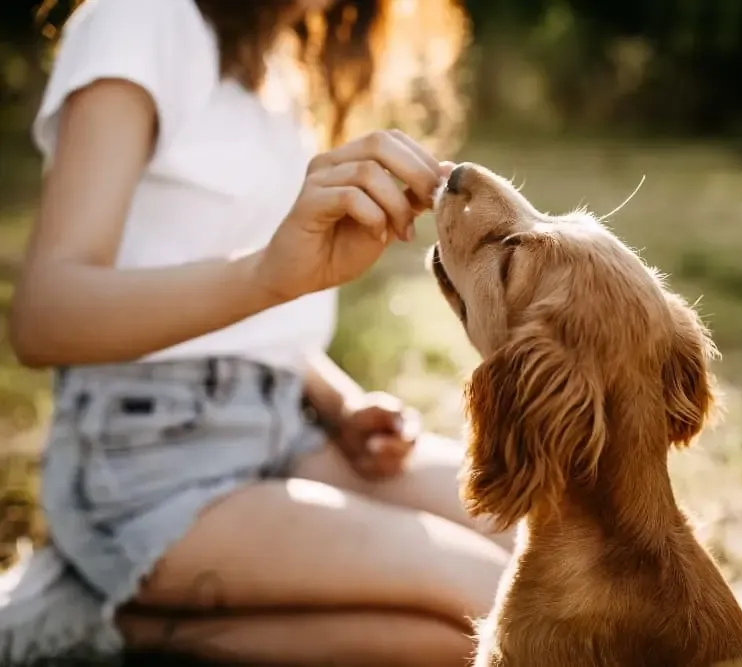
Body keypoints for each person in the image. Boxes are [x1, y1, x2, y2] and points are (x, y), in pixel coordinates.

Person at [0, 0, 511, 665]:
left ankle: (123, 619)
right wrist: (270, 274)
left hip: (284, 426)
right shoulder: (139, 19)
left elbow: (228, 304)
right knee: (500, 604)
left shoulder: (280, 60)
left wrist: (339, 401)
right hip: (148, 459)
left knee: (545, 542)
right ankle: (93, 620)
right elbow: (46, 317)